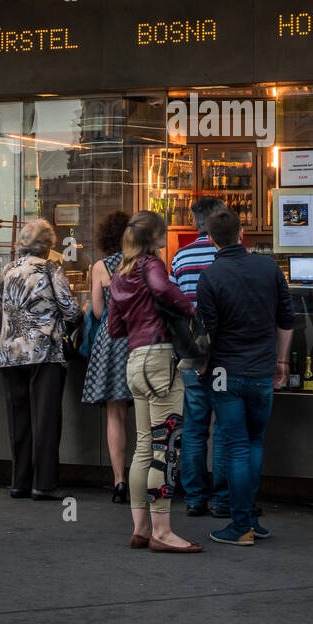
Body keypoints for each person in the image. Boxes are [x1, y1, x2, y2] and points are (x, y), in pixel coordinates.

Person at [196, 206, 293, 547]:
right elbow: (286, 320)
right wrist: (281, 362)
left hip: (225, 374)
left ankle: (240, 526)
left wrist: (202, 366)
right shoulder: (269, 267)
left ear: (210, 241)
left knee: (235, 446)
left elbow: (206, 331)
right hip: (262, 371)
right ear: (241, 234)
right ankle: (250, 517)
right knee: (253, 443)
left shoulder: (210, 277)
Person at [107, 210, 202, 553]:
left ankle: (141, 528)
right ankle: (162, 530)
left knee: (144, 447)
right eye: (163, 233)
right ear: (153, 238)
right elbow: (163, 289)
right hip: (160, 359)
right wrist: (189, 309)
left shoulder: (120, 273)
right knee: (167, 445)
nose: (166, 237)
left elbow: (114, 327)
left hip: (135, 361)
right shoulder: (151, 265)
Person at [0, 218, 81, 500]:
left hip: (11, 353)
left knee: (18, 420)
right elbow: (70, 310)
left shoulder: (9, 270)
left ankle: (19, 483)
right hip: (44, 352)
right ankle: (42, 485)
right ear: (48, 245)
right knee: (44, 420)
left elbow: (3, 303)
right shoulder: (50, 269)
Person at [168, 196, 230, 518]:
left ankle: (194, 498)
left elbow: (172, 303)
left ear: (196, 222)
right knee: (221, 427)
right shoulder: (226, 255)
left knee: (194, 426)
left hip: (191, 353)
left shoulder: (180, 256)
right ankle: (221, 498)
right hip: (223, 354)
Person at [81, 210, 132, 502]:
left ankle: (119, 481)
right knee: (148, 413)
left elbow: (98, 312)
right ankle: (147, 478)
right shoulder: (144, 263)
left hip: (110, 342)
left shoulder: (100, 267)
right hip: (140, 341)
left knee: (115, 414)